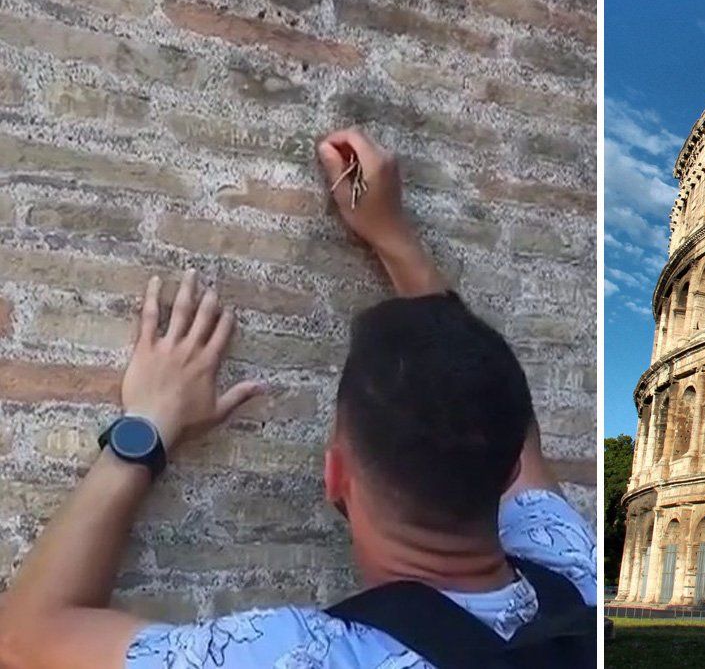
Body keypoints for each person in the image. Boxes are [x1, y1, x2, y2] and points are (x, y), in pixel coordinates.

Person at [0, 128, 597, 668]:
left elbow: (25, 640)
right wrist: (397, 240)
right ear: (508, 469)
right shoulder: (579, 575)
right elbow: (498, 409)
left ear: (336, 477)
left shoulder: (303, 657)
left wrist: (146, 430)